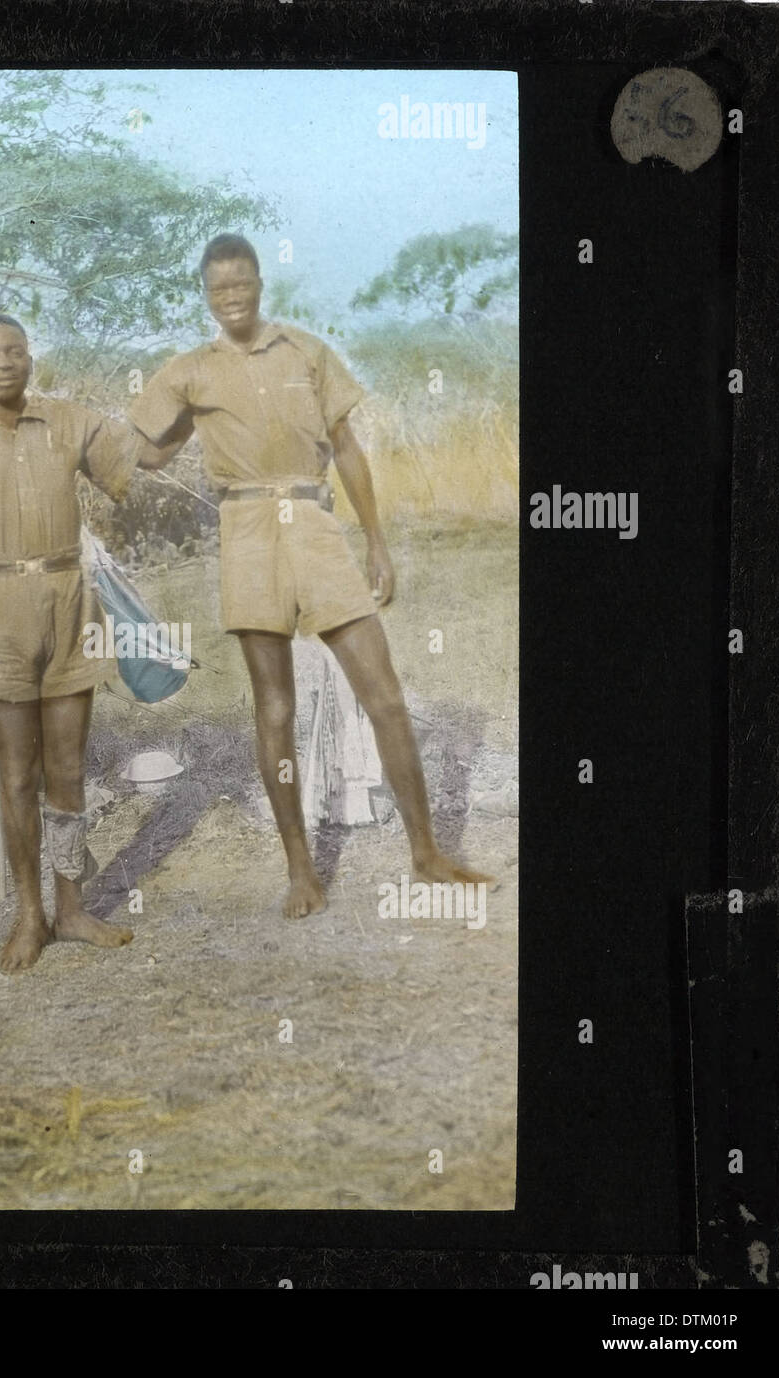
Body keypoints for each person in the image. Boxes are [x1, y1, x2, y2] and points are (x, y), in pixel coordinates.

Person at [130, 234, 491, 919]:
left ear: (260, 283)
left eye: (241, 283)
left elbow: (348, 449)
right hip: (246, 534)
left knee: (383, 694)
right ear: (206, 297)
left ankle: (427, 853)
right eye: (218, 289)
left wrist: (377, 542)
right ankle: (301, 872)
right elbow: (148, 453)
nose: (231, 297)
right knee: (275, 709)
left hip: (317, 525)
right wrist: (128, 440)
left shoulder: (307, 352)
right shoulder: (190, 370)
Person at [0, 314, 177, 972]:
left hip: (70, 601)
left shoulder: (69, 422)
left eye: (13, 352)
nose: (2, 363)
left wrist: (192, 404)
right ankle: (29, 915)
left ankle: (72, 908)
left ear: (31, 358)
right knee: (18, 773)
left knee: (66, 770)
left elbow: (145, 453)